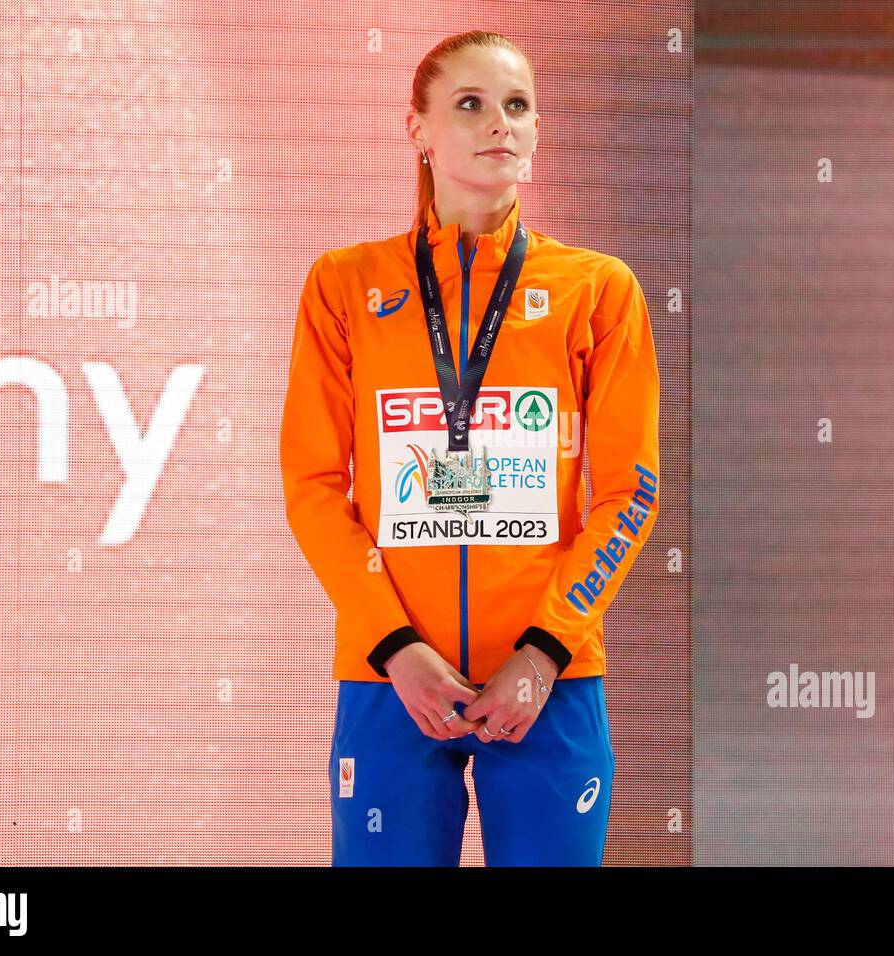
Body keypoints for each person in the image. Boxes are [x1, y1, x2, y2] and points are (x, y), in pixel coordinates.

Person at [279, 30, 660, 866]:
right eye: (470, 104)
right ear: (416, 129)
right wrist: (394, 648)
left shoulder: (597, 290)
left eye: (517, 106)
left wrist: (545, 650)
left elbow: (629, 493)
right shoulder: (345, 285)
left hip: (548, 685)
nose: (500, 124)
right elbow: (311, 485)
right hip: (392, 686)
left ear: (537, 131)